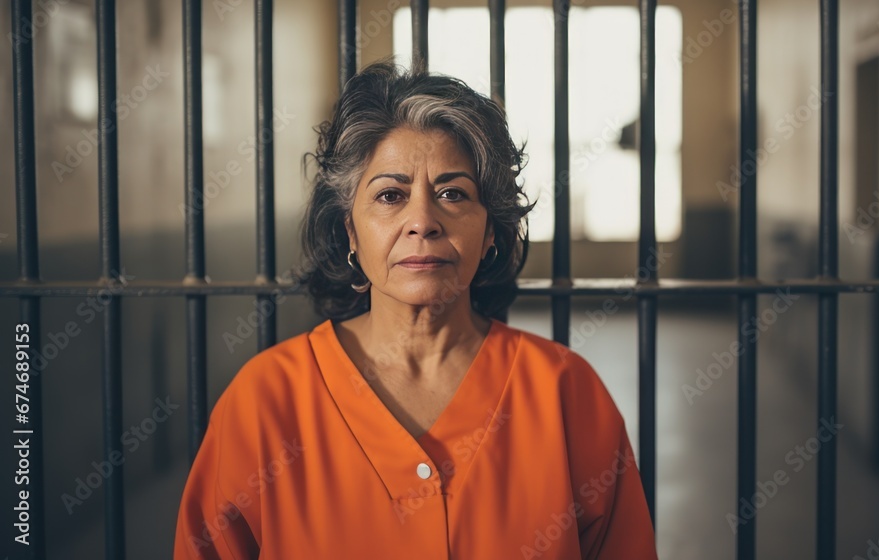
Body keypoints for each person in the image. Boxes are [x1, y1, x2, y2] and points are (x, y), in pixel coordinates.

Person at [173, 60, 658, 559]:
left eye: (453, 193)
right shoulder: (264, 401)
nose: (422, 221)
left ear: (491, 231)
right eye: (390, 195)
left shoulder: (567, 394)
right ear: (349, 231)